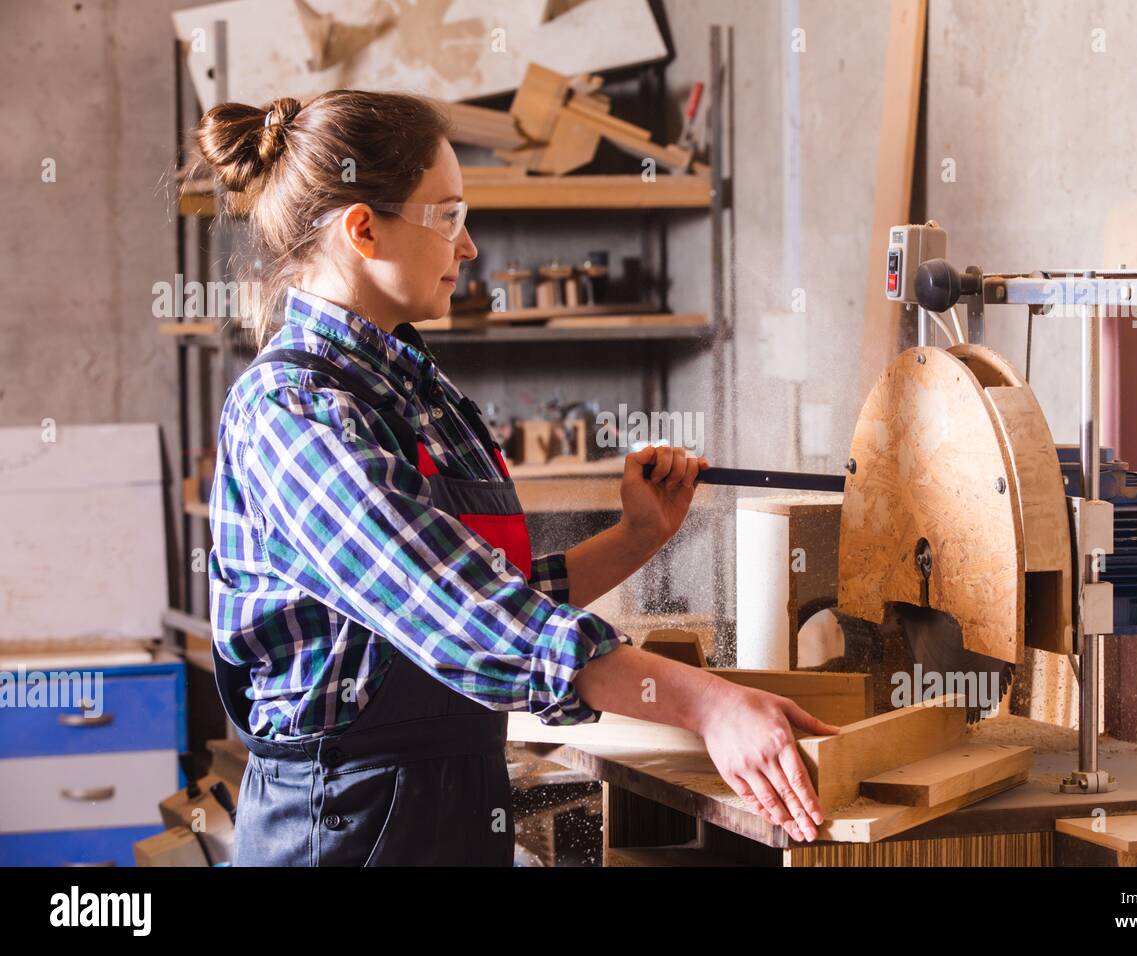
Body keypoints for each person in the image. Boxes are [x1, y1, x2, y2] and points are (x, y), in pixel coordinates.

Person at [201, 90, 836, 866]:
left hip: (447, 799)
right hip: (347, 824)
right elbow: (457, 612)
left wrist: (639, 536)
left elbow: (498, 588)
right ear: (363, 229)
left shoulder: (422, 391)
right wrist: (707, 703)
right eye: (448, 217)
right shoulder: (292, 412)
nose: (467, 249)